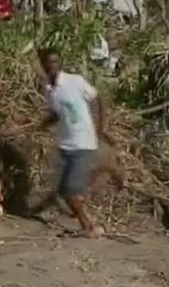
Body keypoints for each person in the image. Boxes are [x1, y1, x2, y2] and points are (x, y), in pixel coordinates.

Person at [33, 48, 124, 238]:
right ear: (43, 65)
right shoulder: (48, 90)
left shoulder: (75, 81)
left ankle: (88, 227)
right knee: (66, 189)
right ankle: (105, 169)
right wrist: (39, 125)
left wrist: (102, 128)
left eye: (56, 61)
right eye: (49, 62)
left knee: (69, 191)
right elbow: (57, 113)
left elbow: (99, 98)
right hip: (65, 144)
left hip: (83, 142)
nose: (53, 66)